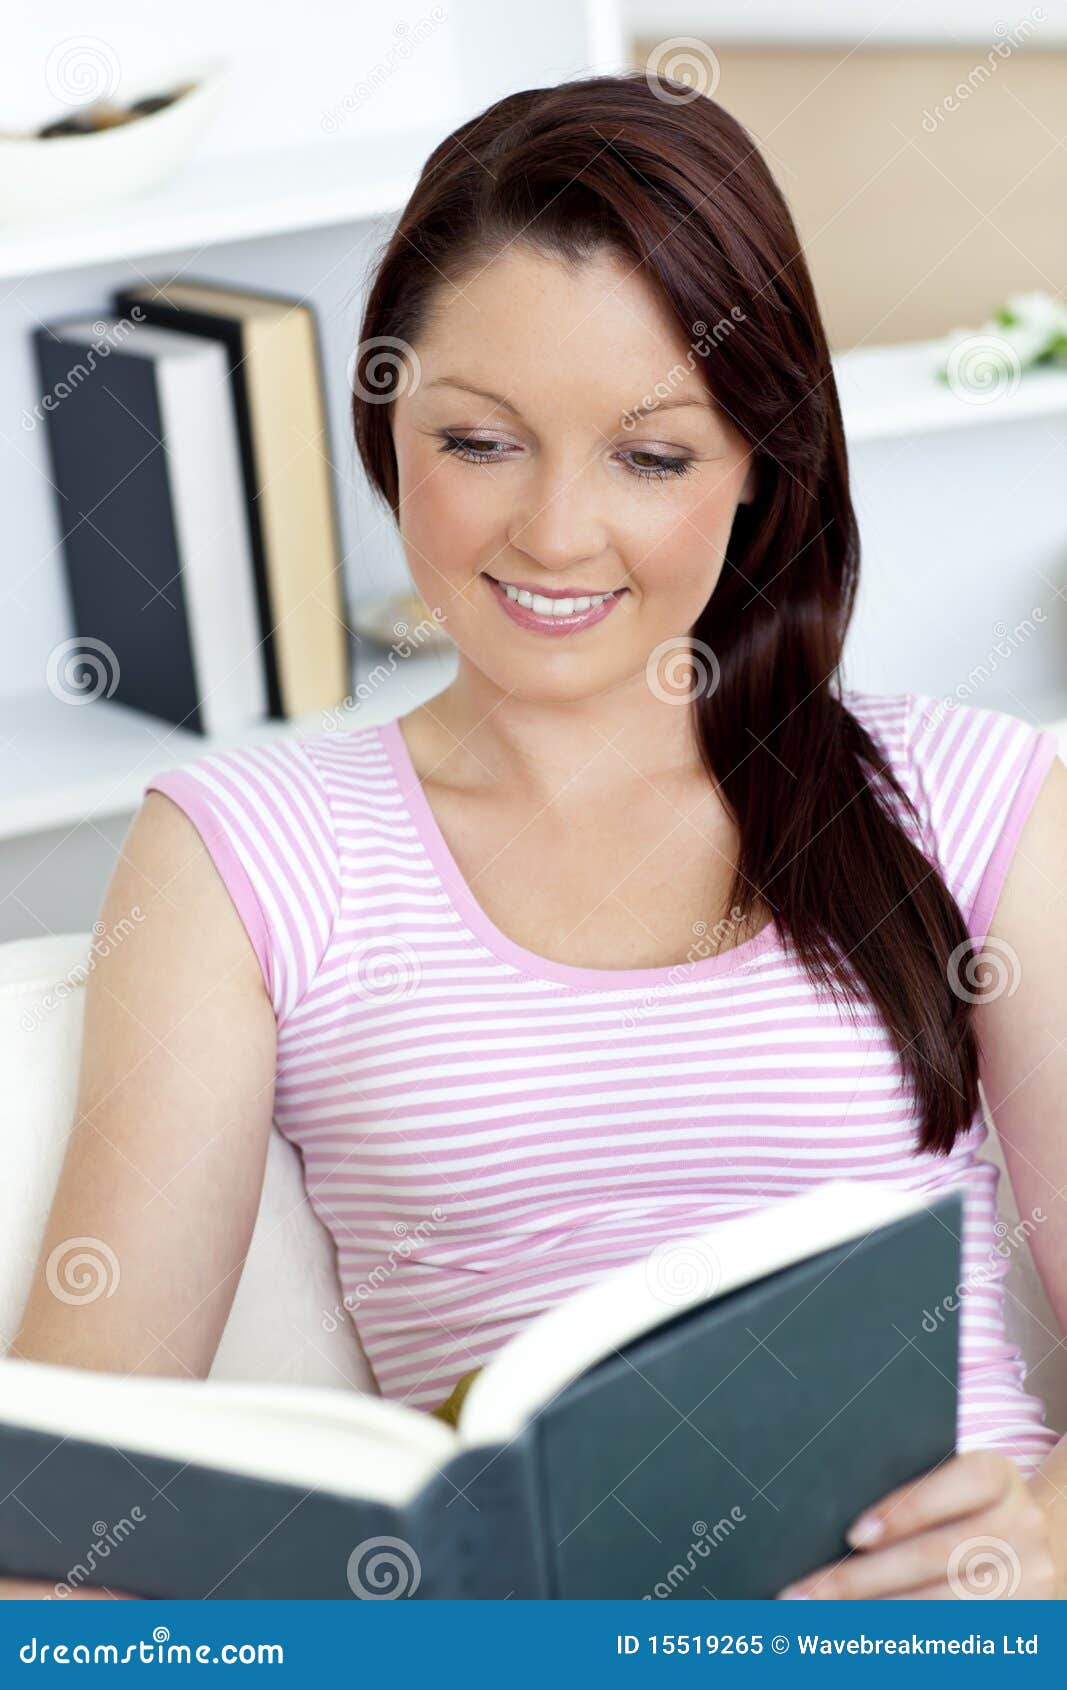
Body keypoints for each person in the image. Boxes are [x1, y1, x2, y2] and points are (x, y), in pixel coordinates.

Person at [5, 71, 1066, 1602]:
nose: (556, 533)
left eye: (652, 456)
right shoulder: (243, 855)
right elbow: (68, 1513)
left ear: (762, 466)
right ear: (389, 419)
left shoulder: (970, 795)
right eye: (483, 441)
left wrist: (1043, 1541)